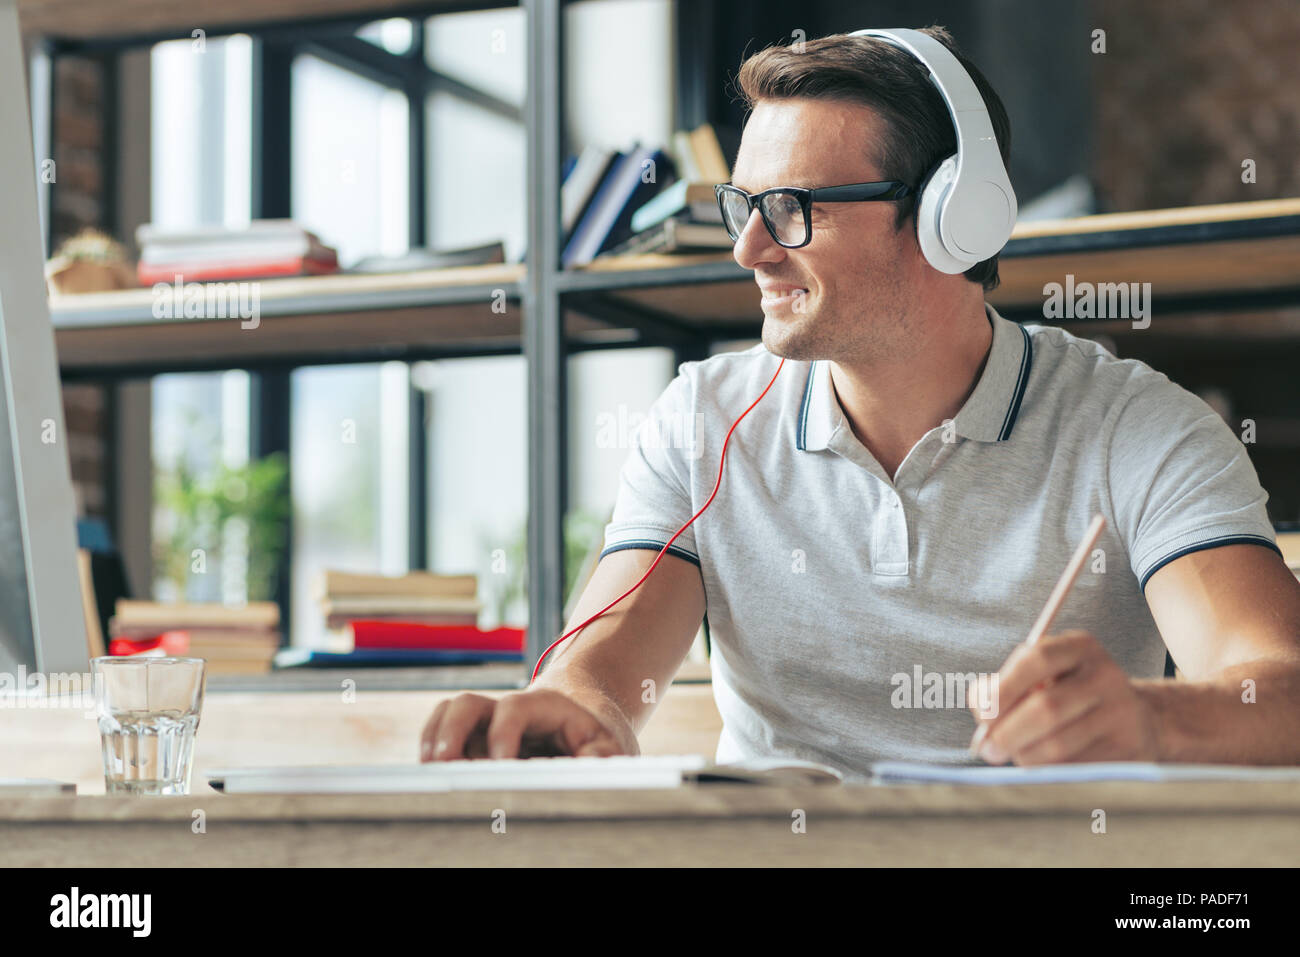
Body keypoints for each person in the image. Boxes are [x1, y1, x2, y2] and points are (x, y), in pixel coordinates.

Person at [420, 26, 1300, 774]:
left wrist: (1152, 722)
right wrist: (576, 712)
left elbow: (1278, 681)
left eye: (794, 208)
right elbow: (604, 672)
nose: (751, 251)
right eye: (745, 206)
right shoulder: (702, 418)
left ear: (953, 216)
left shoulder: (1138, 428)